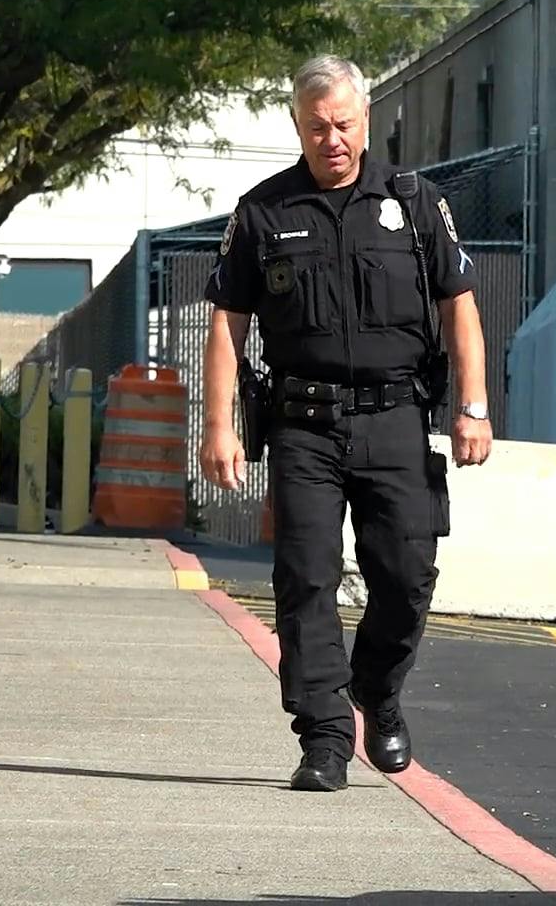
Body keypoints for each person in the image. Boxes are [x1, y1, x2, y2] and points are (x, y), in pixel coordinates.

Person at [198, 54, 494, 791]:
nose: (332, 139)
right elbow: (228, 324)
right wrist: (218, 426)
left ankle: (379, 693)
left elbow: (460, 305)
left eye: (344, 124)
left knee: (406, 575)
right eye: (316, 127)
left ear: (366, 120)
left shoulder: (414, 202)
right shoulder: (262, 212)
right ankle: (325, 738)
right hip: (303, 426)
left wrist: (473, 406)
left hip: (396, 418)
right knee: (305, 579)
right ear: (297, 127)